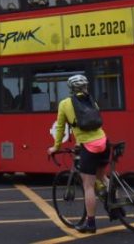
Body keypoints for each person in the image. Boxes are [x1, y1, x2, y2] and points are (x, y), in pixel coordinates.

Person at [47, 74, 109, 234]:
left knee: (88, 186)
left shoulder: (65, 104)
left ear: (71, 89)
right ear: (85, 87)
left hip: (89, 146)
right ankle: (115, 206)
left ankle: (90, 224)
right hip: (103, 141)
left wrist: (56, 147)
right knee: (102, 177)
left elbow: (60, 128)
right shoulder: (91, 100)